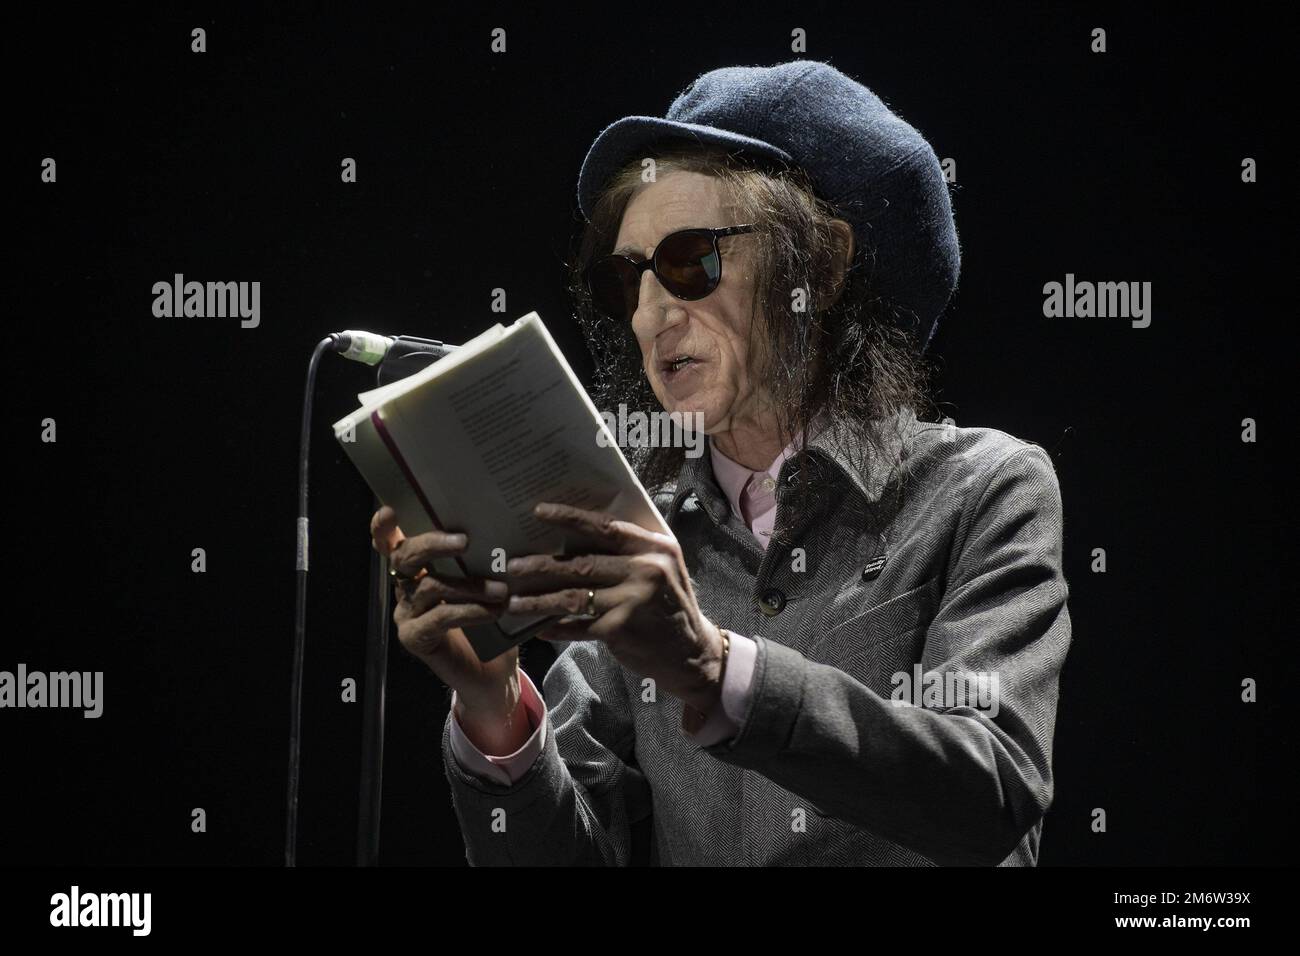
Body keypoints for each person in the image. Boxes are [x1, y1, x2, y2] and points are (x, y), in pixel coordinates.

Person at [369, 60, 1072, 866]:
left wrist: (710, 666)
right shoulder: (645, 520)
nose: (649, 314)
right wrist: (492, 705)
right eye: (626, 278)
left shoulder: (983, 488)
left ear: (825, 269)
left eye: (690, 261)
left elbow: (993, 795)